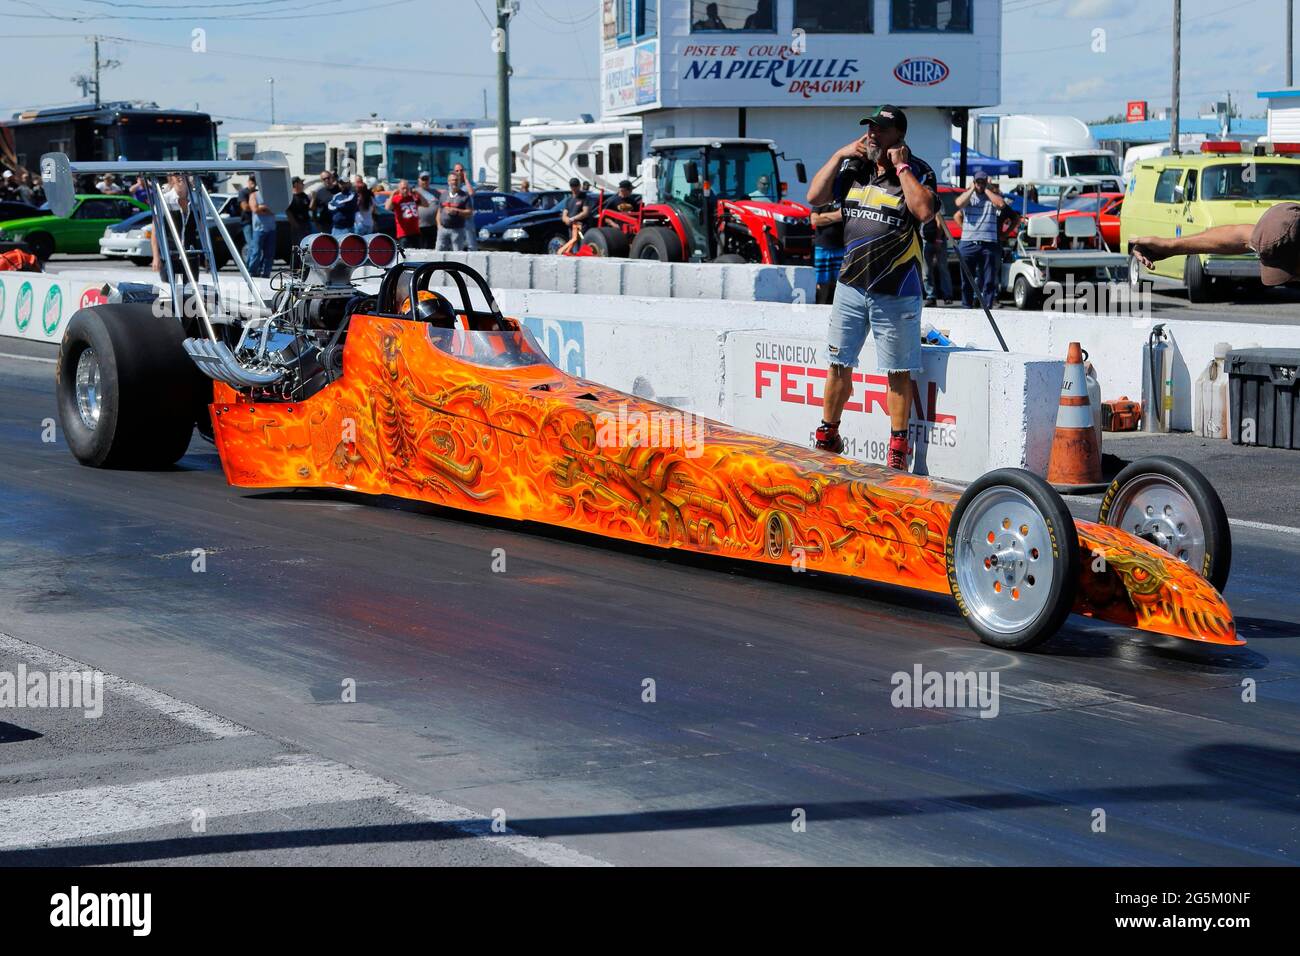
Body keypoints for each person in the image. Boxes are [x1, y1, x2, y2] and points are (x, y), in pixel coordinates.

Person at [805, 105, 936, 471]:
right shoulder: (854, 168)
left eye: (881, 129)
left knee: (897, 372)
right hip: (850, 286)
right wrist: (839, 154)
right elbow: (815, 197)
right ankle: (827, 435)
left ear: (899, 136)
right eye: (869, 128)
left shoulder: (918, 170)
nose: (872, 135)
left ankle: (897, 447)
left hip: (897, 288)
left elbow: (924, 212)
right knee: (837, 364)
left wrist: (903, 167)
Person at [1130, 202, 1300, 287]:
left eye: (1290, 270)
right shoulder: (1283, 233)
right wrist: (1170, 246)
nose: (1290, 280)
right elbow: (1237, 236)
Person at [954, 174, 1005, 310]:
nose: (980, 185)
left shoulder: (992, 197)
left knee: (989, 279)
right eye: (978, 182)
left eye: (983, 182)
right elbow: (958, 204)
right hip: (968, 242)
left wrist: (987, 189)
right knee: (967, 279)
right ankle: (967, 306)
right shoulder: (969, 197)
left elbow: (1001, 204)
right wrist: (971, 189)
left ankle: (987, 306)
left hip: (988, 243)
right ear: (974, 182)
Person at [811, 201, 844, 305]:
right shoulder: (821, 199)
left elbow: (844, 215)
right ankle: (819, 311)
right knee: (822, 284)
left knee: (839, 284)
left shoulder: (845, 197)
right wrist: (836, 216)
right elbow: (814, 220)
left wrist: (824, 217)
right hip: (822, 247)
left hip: (842, 247)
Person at [245, 177, 278, 278]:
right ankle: (252, 272)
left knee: (270, 253)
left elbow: (276, 209)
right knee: (256, 252)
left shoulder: (272, 196)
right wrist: (267, 208)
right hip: (258, 229)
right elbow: (255, 209)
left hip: (271, 228)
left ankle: (266, 273)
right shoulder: (254, 195)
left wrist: (262, 207)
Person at [922, 208, 954, 306]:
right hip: (924, 239)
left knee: (943, 268)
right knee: (926, 271)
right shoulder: (918, 197)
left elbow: (940, 220)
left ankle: (947, 295)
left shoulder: (935, 199)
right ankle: (930, 296)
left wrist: (938, 239)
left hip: (938, 239)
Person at [435, 171, 472, 251]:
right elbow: (439, 211)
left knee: (457, 254)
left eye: (456, 180)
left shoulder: (464, 196)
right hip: (443, 229)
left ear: (459, 181)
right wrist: (439, 225)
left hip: (457, 230)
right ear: (448, 182)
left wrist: (457, 211)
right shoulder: (444, 195)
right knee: (438, 253)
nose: (454, 182)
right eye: (452, 180)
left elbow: (469, 212)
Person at [388, 179, 428, 250]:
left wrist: (418, 193)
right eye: (403, 188)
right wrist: (392, 195)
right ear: (399, 189)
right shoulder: (396, 198)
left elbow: (426, 204)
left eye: (407, 188)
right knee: (405, 254)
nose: (405, 190)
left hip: (415, 232)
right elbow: (387, 207)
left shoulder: (413, 197)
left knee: (418, 253)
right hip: (403, 234)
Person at [558, 177, 590, 255]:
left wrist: (572, 219)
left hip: (581, 229)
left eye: (575, 186)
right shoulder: (569, 200)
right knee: (572, 247)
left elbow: (585, 212)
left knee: (580, 246)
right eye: (572, 186)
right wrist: (566, 219)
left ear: (579, 186)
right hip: (571, 229)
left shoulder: (584, 197)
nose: (574, 188)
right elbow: (564, 214)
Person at [414, 172, 441, 249]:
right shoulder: (414, 192)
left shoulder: (436, 193)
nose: (425, 181)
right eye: (423, 179)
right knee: (421, 248)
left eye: (426, 179)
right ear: (419, 180)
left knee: (432, 248)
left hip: (433, 226)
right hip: (419, 226)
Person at [309, 170, 338, 235]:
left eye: (328, 178)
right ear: (321, 180)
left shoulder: (339, 188)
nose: (327, 180)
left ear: (332, 177)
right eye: (324, 179)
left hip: (339, 224)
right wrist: (316, 223)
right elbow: (313, 210)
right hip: (325, 224)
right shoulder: (319, 192)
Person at [286, 176, 313, 245]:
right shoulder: (290, 197)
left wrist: (313, 199)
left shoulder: (304, 195)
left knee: (307, 244)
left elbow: (309, 208)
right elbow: (288, 211)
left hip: (306, 223)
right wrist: (295, 224)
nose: (303, 185)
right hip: (297, 224)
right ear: (295, 184)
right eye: (301, 183)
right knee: (297, 244)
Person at [237, 174, 256, 263]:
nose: (253, 183)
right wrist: (256, 207)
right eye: (251, 181)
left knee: (256, 246)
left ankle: (253, 265)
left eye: (254, 181)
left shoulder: (257, 192)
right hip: (247, 222)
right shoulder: (243, 192)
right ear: (248, 181)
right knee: (251, 244)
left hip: (256, 222)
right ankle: (249, 266)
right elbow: (244, 207)